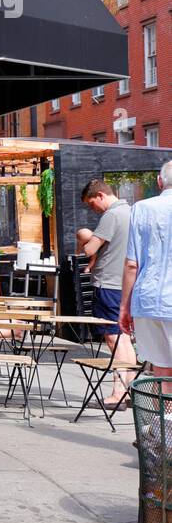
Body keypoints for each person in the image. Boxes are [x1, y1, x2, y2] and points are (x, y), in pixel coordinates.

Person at [77, 180, 136, 408]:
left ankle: (118, 392)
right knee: (125, 338)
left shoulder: (111, 215)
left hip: (108, 284)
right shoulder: (131, 212)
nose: (93, 209)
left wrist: (83, 238)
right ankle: (128, 390)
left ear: (101, 195)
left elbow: (90, 249)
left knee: (114, 338)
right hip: (123, 283)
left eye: (92, 204)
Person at [121, 161, 172, 390]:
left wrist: (125, 306)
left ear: (160, 182)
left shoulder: (141, 208)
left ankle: (166, 421)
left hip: (147, 299)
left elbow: (132, 264)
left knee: (161, 366)